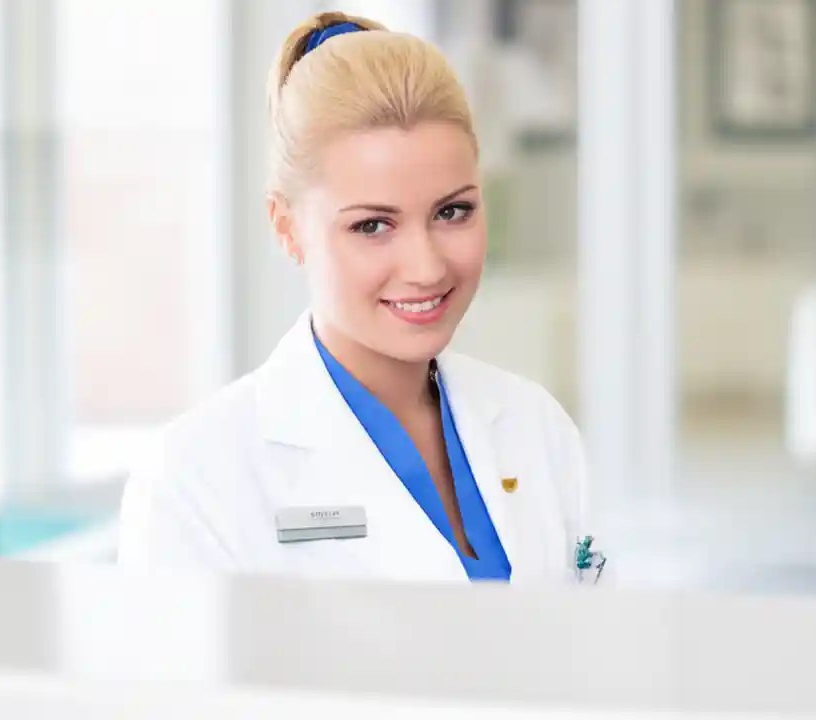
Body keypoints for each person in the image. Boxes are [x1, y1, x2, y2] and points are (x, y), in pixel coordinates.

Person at [118, 11, 597, 585]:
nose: (425, 267)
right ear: (286, 227)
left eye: (452, 212)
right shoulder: (195, 478)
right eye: (373, 226)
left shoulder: (535, 425)